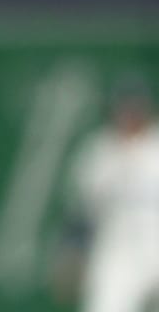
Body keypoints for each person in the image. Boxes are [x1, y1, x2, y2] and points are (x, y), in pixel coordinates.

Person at [63, 74, 159, 312]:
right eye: (125, 106)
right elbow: (81, 210)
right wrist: (73, 251)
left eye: (135, 106)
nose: (129, 113)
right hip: (116, 252)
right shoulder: (98, 151)